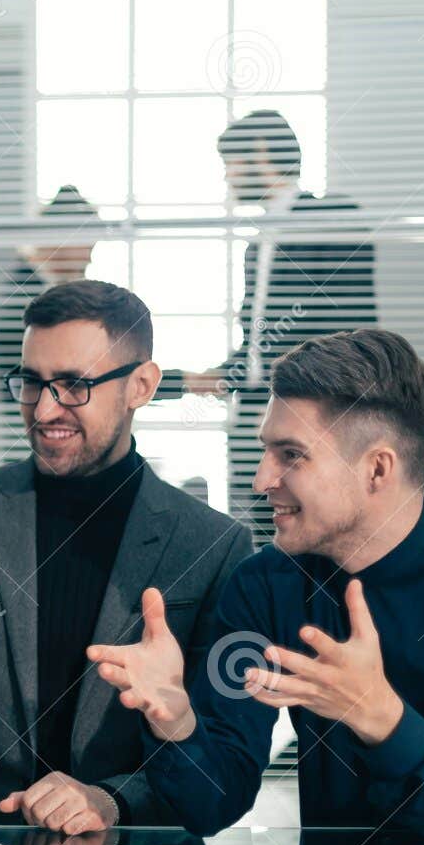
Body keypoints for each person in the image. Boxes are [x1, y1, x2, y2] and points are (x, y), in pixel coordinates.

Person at [90, 329, 424, 845]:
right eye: (265, 450)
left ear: (377, 468)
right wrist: (176, 722)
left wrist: (379, 716)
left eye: (290, 455)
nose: (262, 479)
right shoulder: (265, 584)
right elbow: (215, 804)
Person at [0, 280, 251, 828]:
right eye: (31, 383)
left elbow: (222, 782)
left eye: (73, 386)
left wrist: (112, 800)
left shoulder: (210, 544)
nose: (44, 410)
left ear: (140, 386)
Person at [158, 110, 377, 540]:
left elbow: (348, 333)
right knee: (266, 547)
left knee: (318, 544)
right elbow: (257, 348)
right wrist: (206, 378)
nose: (227, 178)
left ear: (261, 152)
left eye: (231, 164)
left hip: (309, 422)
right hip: (254, 428)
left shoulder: (330, 216)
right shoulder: (257, 245)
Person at [0, 185, 101, 376]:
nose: (89, 259)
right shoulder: (25, 292)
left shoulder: (39, 286)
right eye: (87, 248)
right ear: (63, 238)